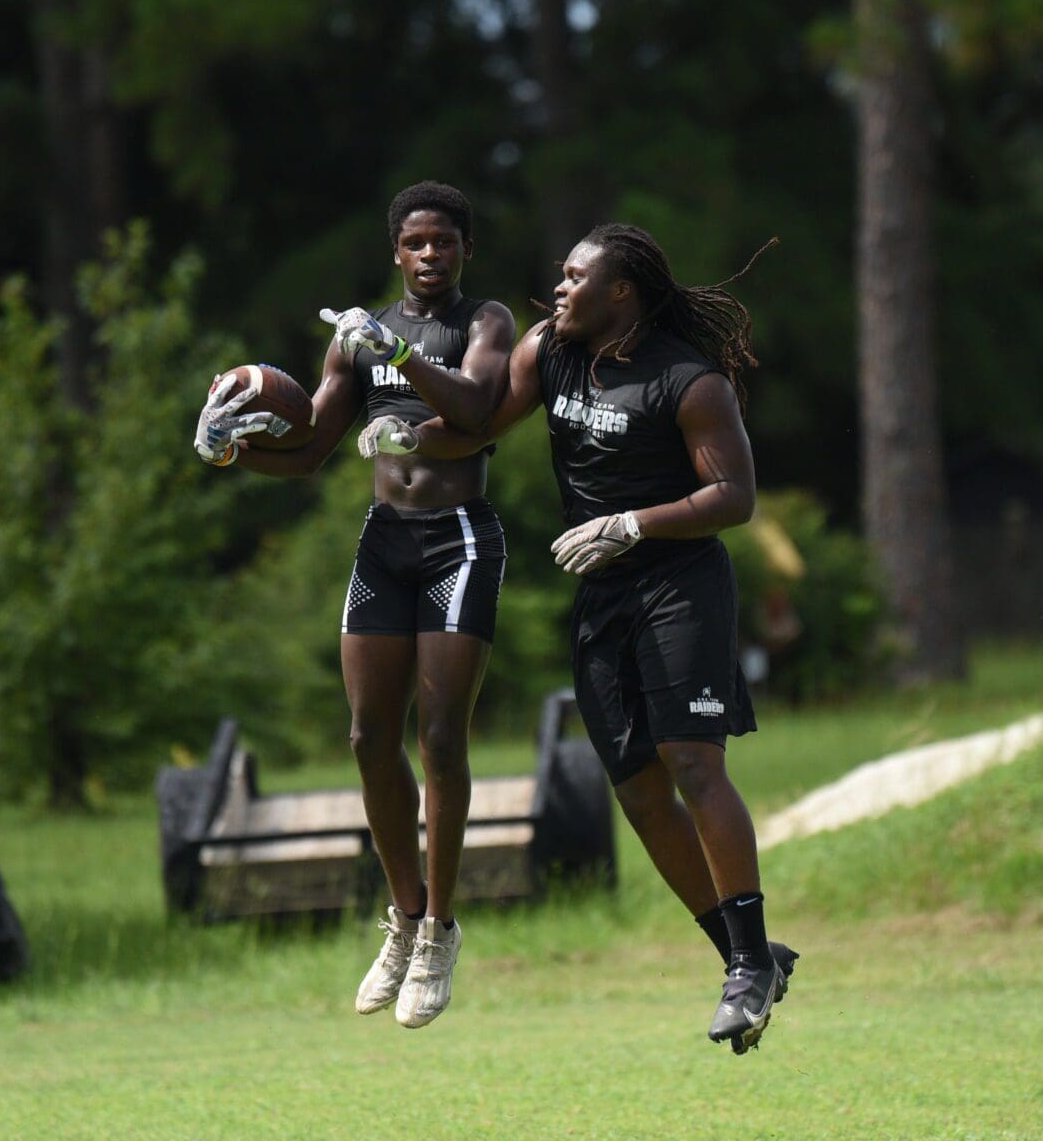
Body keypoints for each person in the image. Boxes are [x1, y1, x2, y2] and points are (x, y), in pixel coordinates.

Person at [369, 223, 797, 1053]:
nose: (558, 289)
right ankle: (747, 957)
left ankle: (748, 965)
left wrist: (634, 523)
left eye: (575, 277)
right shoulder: (548, 350)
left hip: (679, 586)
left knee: (693, 763)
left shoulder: (688, 379)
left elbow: (734, 496)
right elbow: (484, 420)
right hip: (600, 594)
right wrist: (409, 435)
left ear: (621, 292)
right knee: (637, 790)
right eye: (560, 275)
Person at [192, 182, 517, 1028]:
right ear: (395, 251)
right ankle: (405, 918)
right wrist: (231, 449)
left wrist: (401, 359)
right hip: (386, 538)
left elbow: (479, 410)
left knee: (440, 735)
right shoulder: (357, 337)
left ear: (465, 250)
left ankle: (442, 930)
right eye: (414, 242)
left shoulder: (484, 323)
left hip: (459, 536)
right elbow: (307, 451)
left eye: (444, 241)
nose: (429, 255)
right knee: (369, 735)